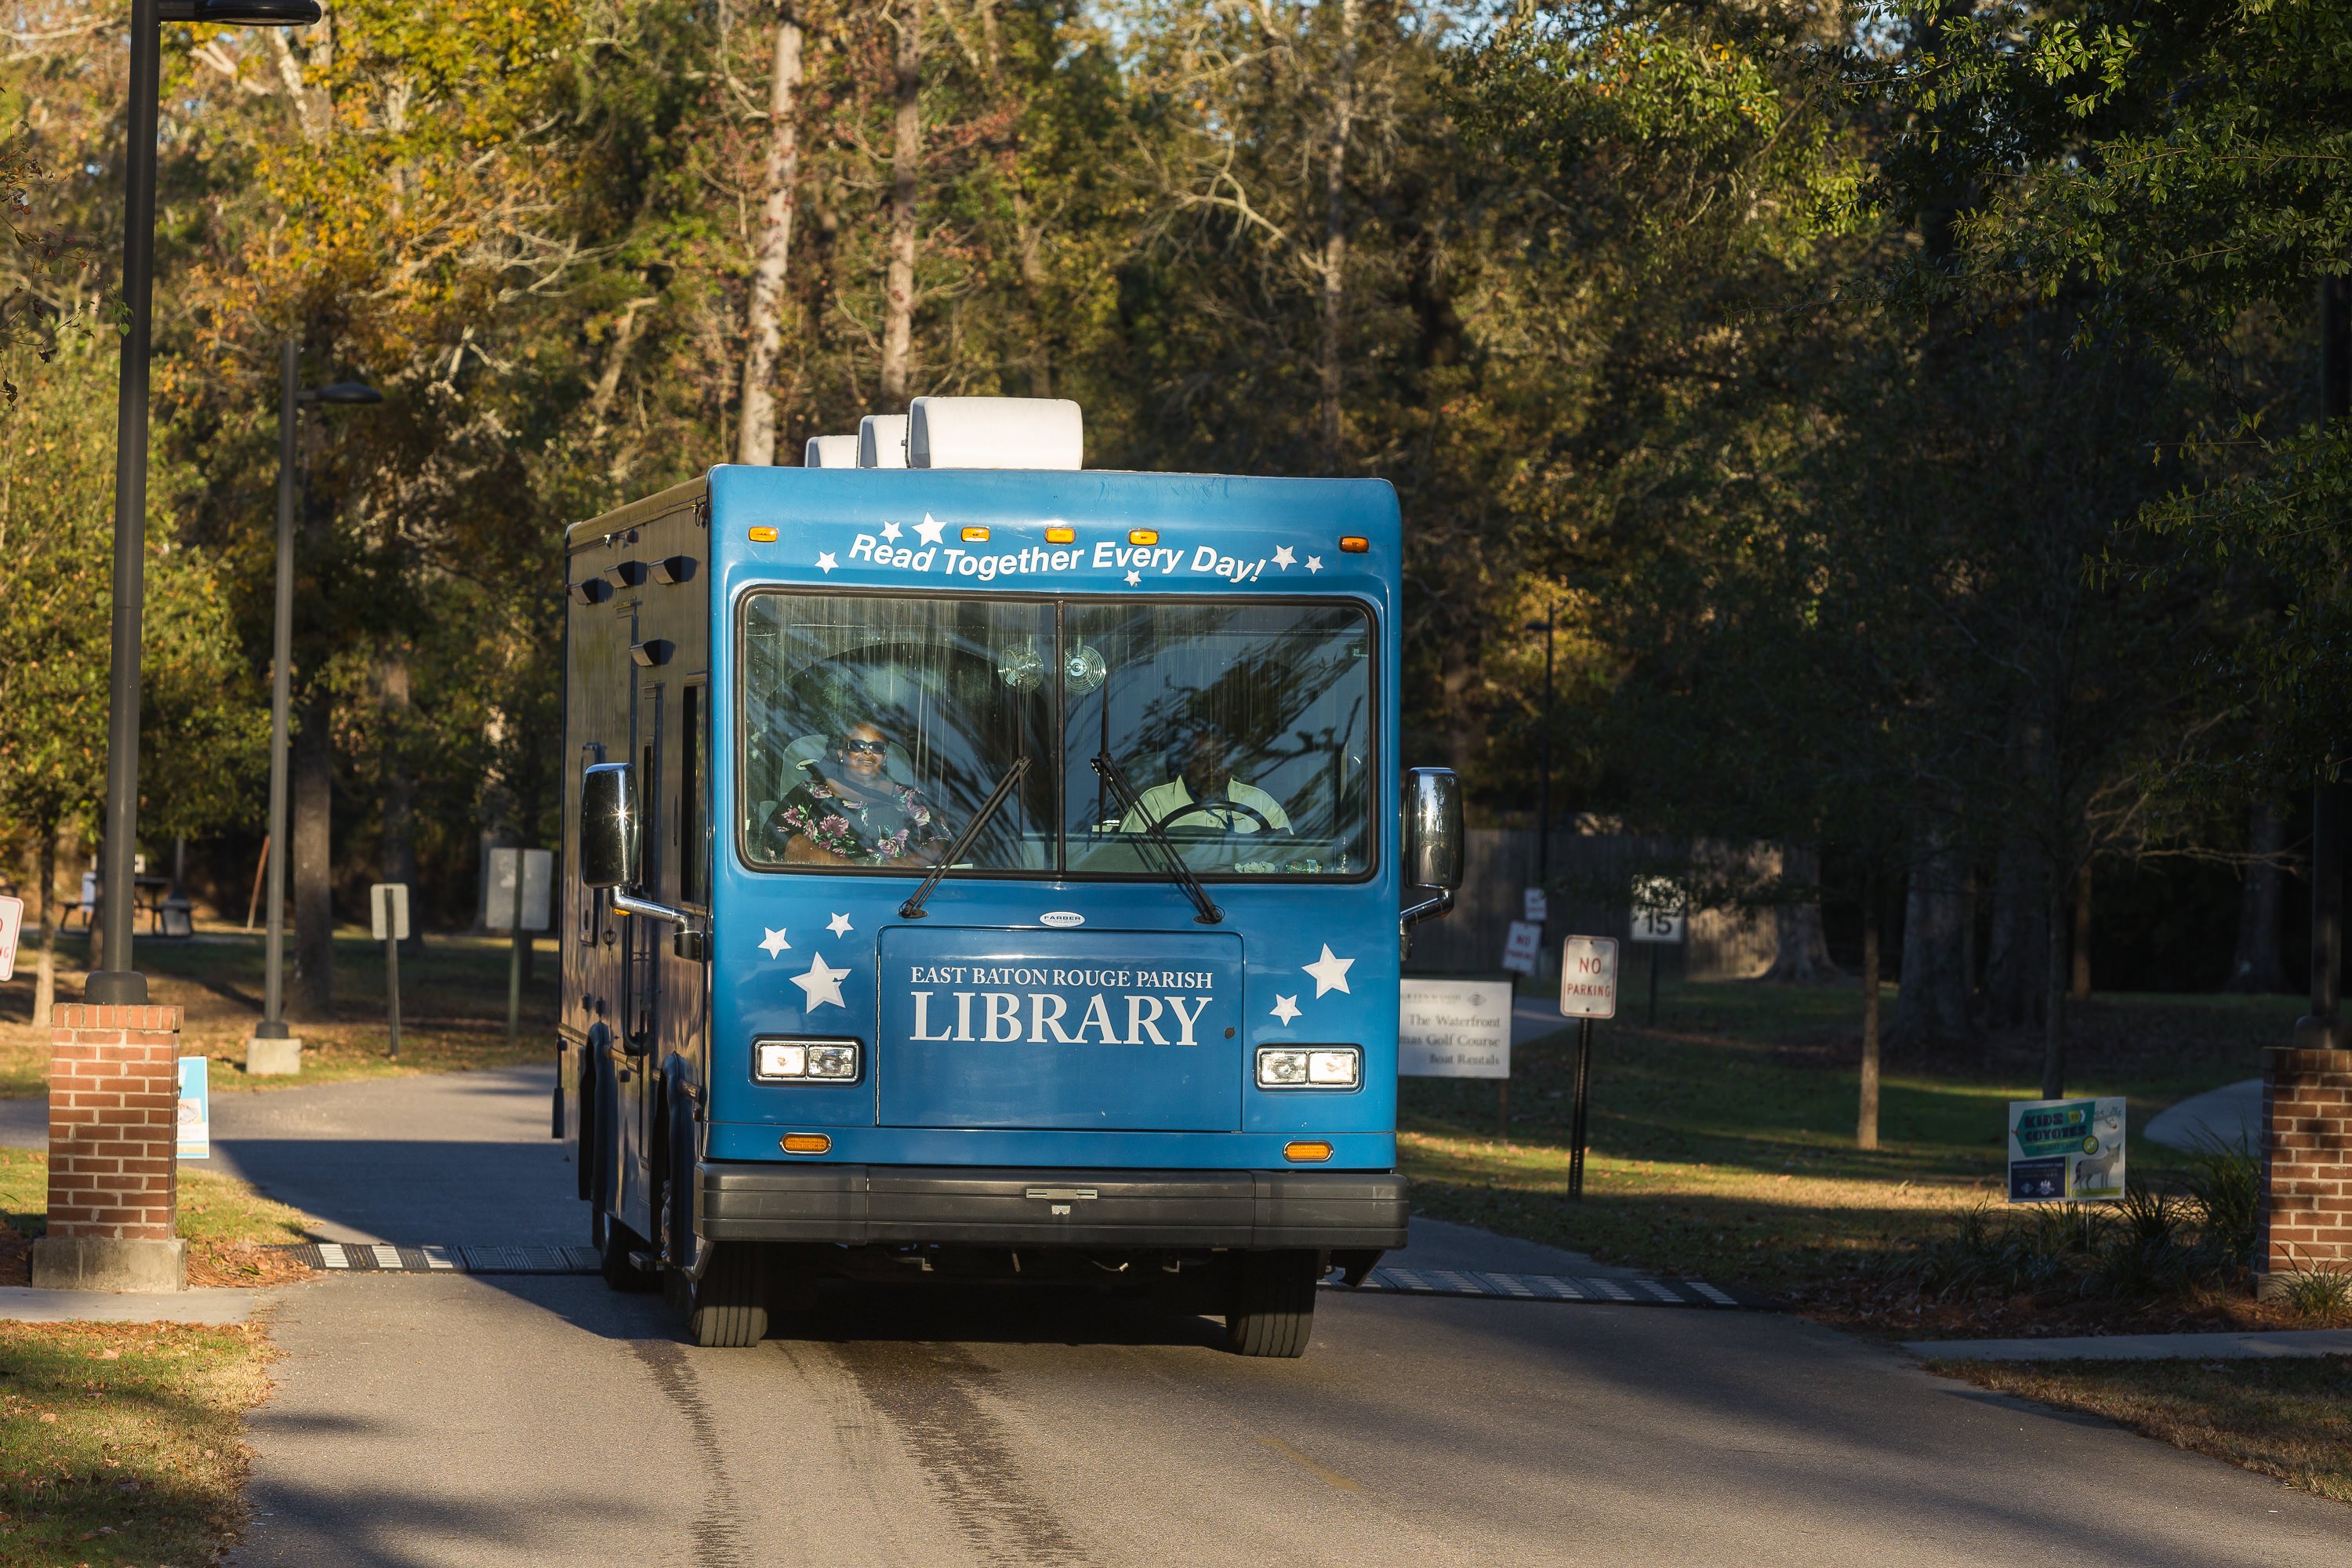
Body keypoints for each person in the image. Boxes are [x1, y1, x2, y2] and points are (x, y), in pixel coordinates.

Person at [760, 722, 950, 866]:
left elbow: (941, 841)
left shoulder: (909, 796)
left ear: (884, 757)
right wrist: (844, 869)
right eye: (858, 745)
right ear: (842, 753)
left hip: (900, 891)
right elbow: (776, 837)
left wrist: (902, 868)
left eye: (877, 747)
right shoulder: (811, 792)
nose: (867, 752)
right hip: (830, 888)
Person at [1120, 728, 1293, 836]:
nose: (1211, 770)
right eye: (1200, 760)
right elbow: (1126, 861)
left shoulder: (1261, 803)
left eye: (1219, 760)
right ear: (1184, 764)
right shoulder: (1154, 803)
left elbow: (1289, 861)